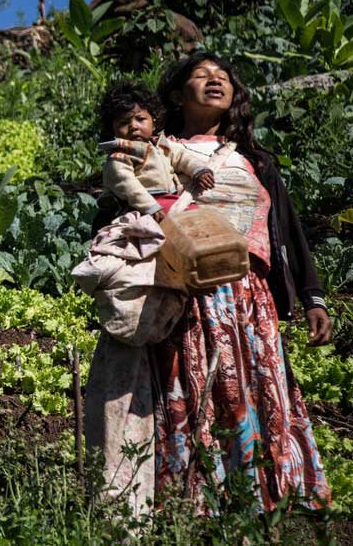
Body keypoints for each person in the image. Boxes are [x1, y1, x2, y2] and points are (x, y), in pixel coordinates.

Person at [87, 51, 332, 516]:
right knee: (194, 387)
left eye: (223, 77)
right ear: (177, 96)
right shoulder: (153, 148)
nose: (214, 80)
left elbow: (289, 230)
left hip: (248, 296)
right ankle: (198, 501)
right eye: (201, 76)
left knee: (252, 390)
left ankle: (265, 500)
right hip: (189, 289)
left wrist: (311, 295)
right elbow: (119, 205)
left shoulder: (254, 161)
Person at [98, 82, 215, 223]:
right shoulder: (119, 156)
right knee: (191, 224)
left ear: (154, 121)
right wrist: (149, 206)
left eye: (140, 119)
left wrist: (199, 171)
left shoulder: (161, 146)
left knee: (203, 218)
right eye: (123, 123)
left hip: (170, 199)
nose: (133, 126)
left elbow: (182, 157)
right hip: (145, 205)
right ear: (112, 129)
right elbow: (126, 184)